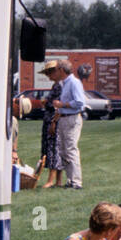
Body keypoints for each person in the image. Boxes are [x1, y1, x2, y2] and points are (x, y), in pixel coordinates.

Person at [45, 59, 87, 189]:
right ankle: (70, 180)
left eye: (56, 69)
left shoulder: (74, 83)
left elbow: (80, 102)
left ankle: (76, 182)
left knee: (70, 149)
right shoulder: (65, 84)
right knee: (63, 151)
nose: (55, 72)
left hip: (71, 119)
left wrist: (62, 104)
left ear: (62, 70)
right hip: (64, 118)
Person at [37, 78, 64, 189]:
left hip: (53, 121)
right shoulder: (57, 85)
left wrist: (53, 122)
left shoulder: (59, 86)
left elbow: (57, 106)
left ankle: (50, 181)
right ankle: (58, 180)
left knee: (53, 150)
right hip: (51, 120)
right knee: (56, 150)